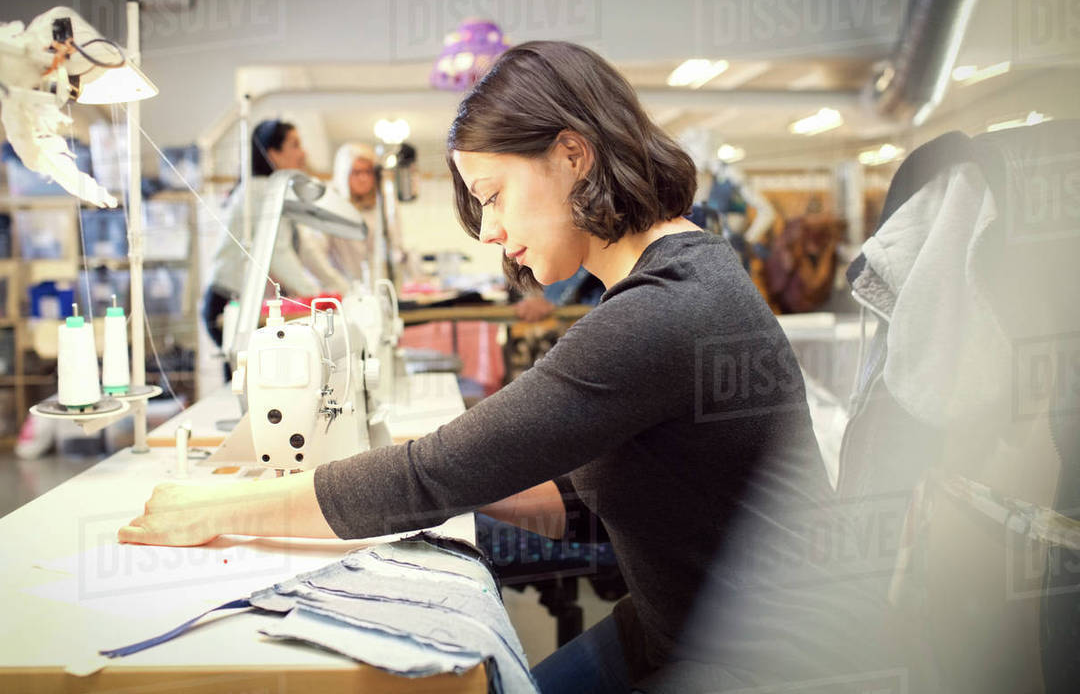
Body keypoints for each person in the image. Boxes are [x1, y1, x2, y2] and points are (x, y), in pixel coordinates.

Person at [123, 42, 891, 692]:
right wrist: (452, 474)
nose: (488, 230)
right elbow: (592, 504)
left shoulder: (664, 312)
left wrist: (210, 511)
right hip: (680, 626)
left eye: (492, 196)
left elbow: (430, 478)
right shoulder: (672, 280)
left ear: (571, 154)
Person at [201, 119, 346, 352]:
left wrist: (338, 289)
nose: (303, 153)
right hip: (228, 303)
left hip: (239, 302)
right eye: (295, 145)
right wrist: (316, 299)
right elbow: (279, 254)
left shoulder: (275, 190)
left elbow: (306, 250)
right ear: (274, 154)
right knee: (246, 379)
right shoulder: (260, 190)